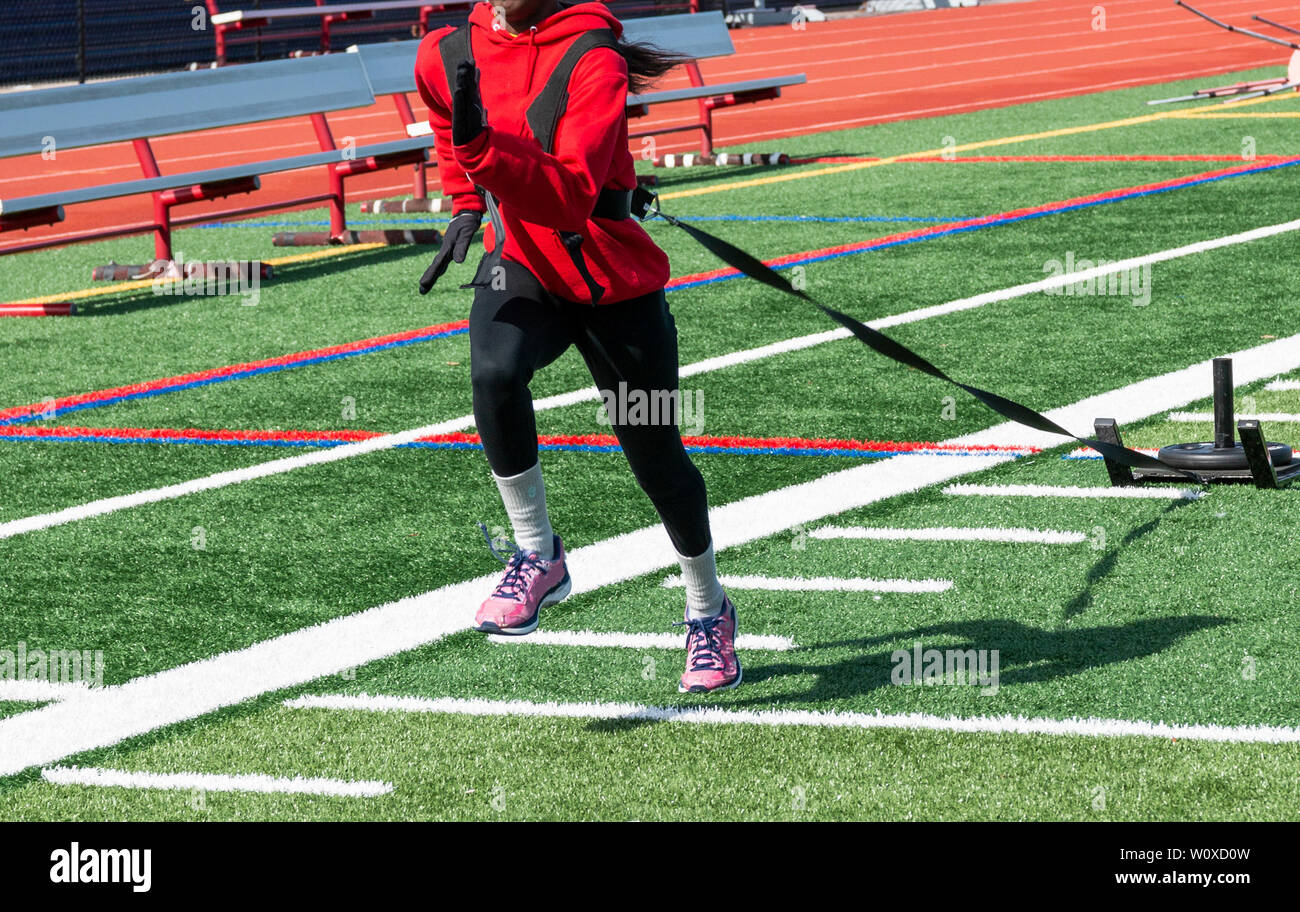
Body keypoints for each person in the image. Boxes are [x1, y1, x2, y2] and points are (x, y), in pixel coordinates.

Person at [413, 0, 741, 693]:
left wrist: (480, 154)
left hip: (609, 277)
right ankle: (539, 554)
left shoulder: (595, 60)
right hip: (522, 263)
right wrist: (465, 201)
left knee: (659, 463)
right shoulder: (448, 49)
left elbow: (566, 196)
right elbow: (447, 113)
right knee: (494, 374)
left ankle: (709, 611)